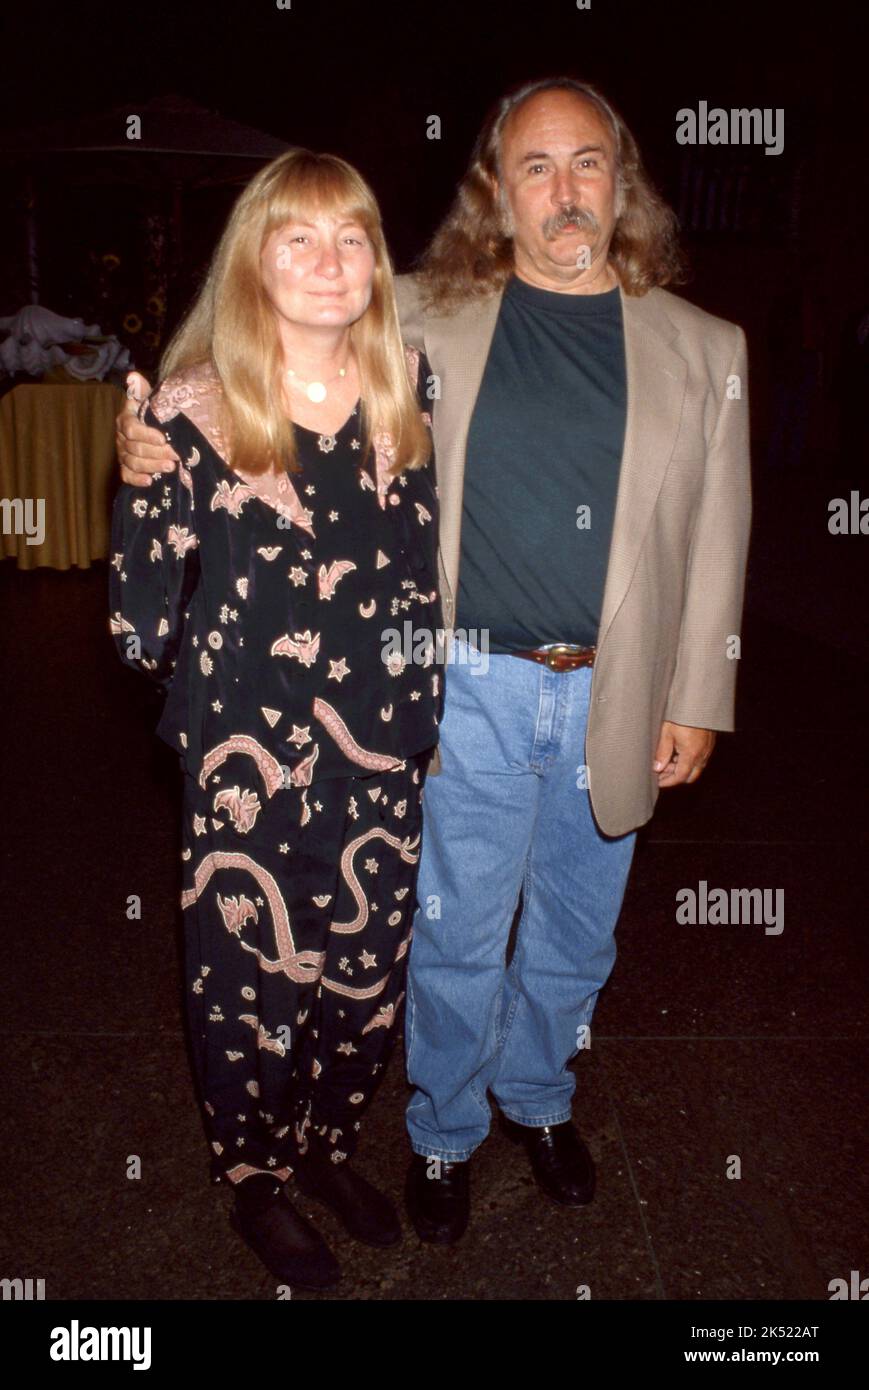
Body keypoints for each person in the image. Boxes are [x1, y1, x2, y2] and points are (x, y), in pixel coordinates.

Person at [116, 77, 752, 1250]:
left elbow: (720, 533)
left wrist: (697, 697)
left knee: (575, 929)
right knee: (450, 929)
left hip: (616, 688)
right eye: (532, 168)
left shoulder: (705, 347)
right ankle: (444, 1130)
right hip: (461, 686)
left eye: (585, 164)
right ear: (495, 197)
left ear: (622, 183)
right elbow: (271, 322)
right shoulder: (418, 316)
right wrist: (153, 431)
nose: (562, 191)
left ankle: (540, 1102)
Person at [109, 149, 443, 1288]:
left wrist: (416, 714)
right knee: (246, 972)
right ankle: (252, 1175)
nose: (326, 259)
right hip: (247, 764)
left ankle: (327, 1142)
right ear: (252, 259)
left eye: (349, 236)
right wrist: (142, 486)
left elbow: (416, 580)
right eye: (295, 236)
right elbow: (136, 627)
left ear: (375, 264)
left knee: (363, 970)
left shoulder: (407, 384)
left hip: (380, 756)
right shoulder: (191, 405)